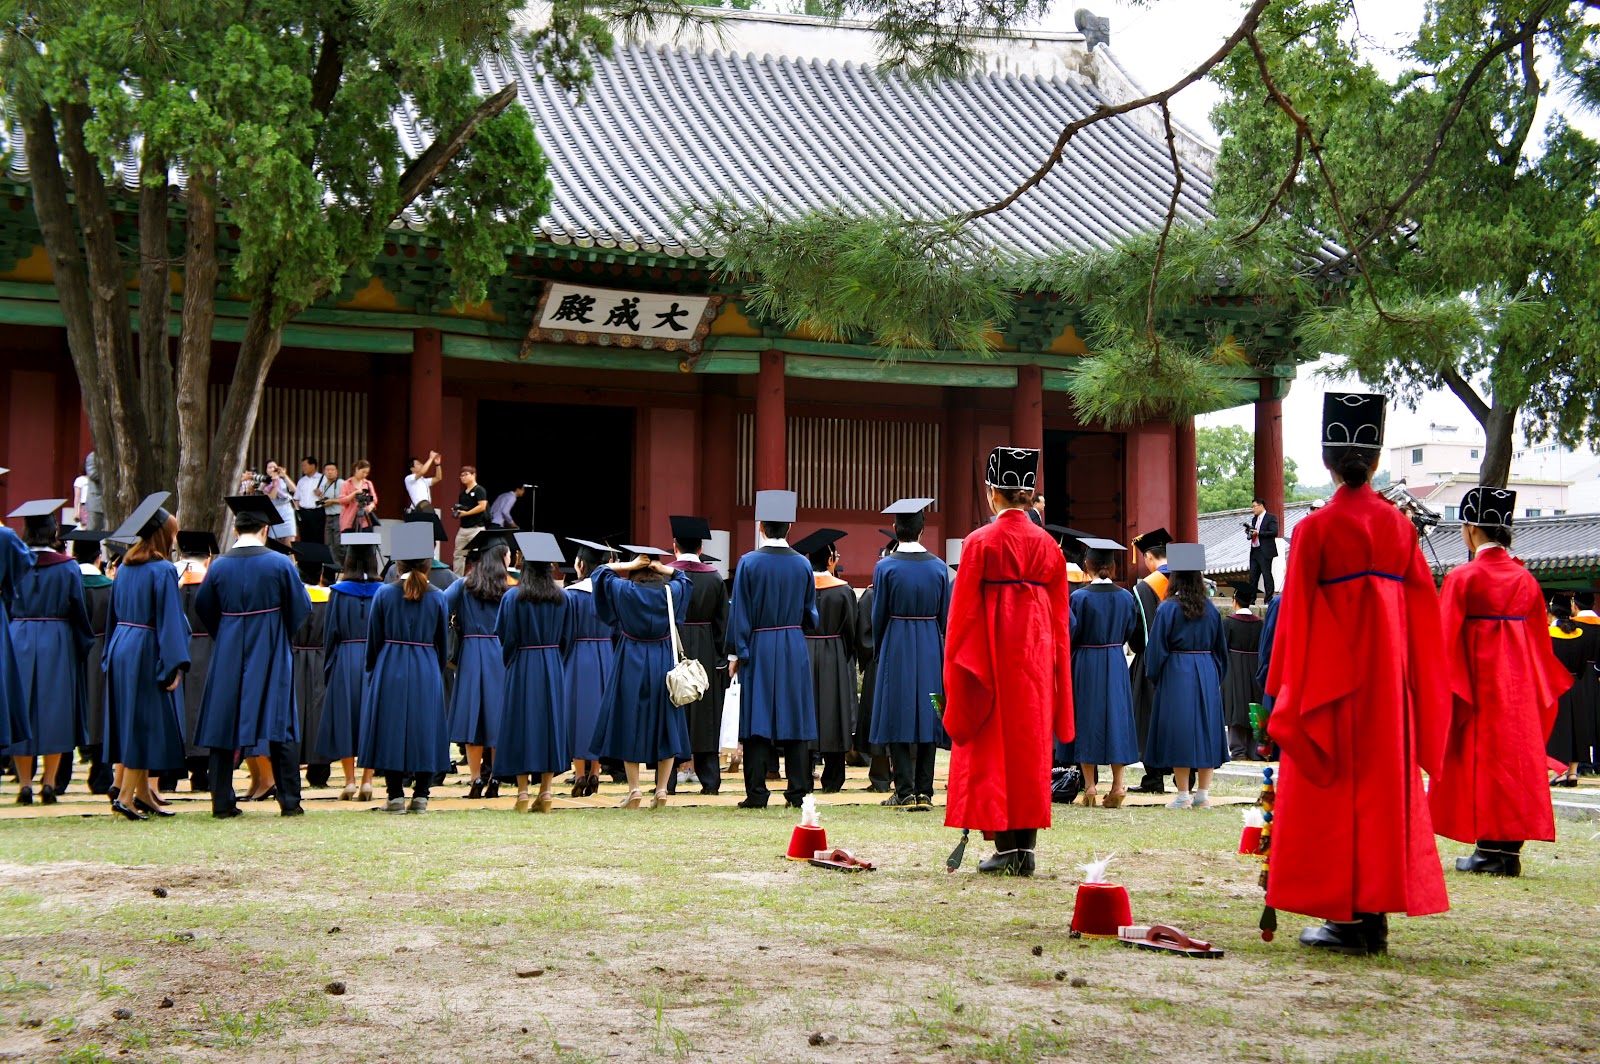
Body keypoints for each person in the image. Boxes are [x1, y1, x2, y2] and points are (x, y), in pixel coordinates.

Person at [1265, 392, 1450, 955]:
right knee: (1381, 789)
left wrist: (1283, 689)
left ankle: (1346, 918)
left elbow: (1295, 614)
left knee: (1339, 789)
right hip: (1388, 686)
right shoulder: (1399, 529)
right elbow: (1422, 614)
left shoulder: (1315, 529)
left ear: (1327, 460)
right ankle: (1375, 916)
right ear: (1375, 459)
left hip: (1332, 681)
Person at [944, 447, 1073, 876]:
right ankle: (1026, 850)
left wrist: (960, 671)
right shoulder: (1049, 546)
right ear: (1028, 493)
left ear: (992, 494)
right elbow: (1059, 615)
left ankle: (1004, 849)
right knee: (1030, 749)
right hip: (1035, 660)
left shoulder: (980, 541)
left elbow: (962, 616)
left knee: (994, 750)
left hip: (993, 659)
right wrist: (1054, 665)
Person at [1431, 487, 1573, 877]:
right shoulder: (1526, 580)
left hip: (1478, 683)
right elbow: (1540, 644)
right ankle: (1509, 851)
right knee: (1517, 761)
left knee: (1484, 762)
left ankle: (1488, 849)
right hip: (1520, 685)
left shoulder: (1464, 577)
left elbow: (1444, 639)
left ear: (1472, 530)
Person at [194, 495, 313, 818]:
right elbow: (301, 607)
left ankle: (221, 802)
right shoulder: (279, 564)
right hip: (271, 648)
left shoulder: (219, 566)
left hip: (230, 649)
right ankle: (290, 802)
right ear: (265, 530)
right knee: (280, 723)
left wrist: (228, 631)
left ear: (235, 530)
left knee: (223, 722)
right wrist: (278, 631)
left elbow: (203, 606)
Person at [100, 495, 189, 820]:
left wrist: (109, 654)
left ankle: (142, 796)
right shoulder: (163, 570)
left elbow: (114, 615)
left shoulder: (124, 566)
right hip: (147, 647)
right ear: (164, 535)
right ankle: (125, 797)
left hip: (122, 643)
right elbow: (168, 619)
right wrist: (173, 665)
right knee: (144, 723)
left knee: (132, 720)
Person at [727, 491, 818, 809]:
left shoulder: (748, 563)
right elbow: (811, 614)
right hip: (793, 644)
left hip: (759, 644)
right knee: (795, 716)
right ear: (790, 527)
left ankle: (756, 794)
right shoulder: (803, 565)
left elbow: (740, 611)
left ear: (761, 527)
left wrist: (736, 653)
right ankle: (797, 793)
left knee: (756, 719)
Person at [589, 546, 692, 808]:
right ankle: (661, 790)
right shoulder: (671, 592)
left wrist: (628, 565)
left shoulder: (625, 591)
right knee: (666, 721)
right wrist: (665, 568)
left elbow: (600, 574)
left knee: (629, 720)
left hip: (631, 657)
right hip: (662, 658)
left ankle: (634, 789)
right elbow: (685, 580)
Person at [5, 500, 92, 805]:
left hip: (19, 637)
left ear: (26, 531)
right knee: (56, 711)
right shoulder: (67, 566)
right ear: (54, 530)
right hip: (58, 638)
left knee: (21, 708)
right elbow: (78, 609)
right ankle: (50, 783)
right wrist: (83, 645)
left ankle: (25, 784)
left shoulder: (15, 562)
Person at [360, 522, 451, 813]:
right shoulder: (438, 596)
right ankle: (422, 794)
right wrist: (434, 670)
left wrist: (373, 669)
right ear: (428, 561)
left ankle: (395, 794)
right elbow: (443, 644)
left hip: (391, 664)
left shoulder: (384, 594)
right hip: (425, 665)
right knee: (426, 728)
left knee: (391, 728)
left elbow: (373, 639)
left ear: (397, 562)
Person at [869, 498, 951, 810]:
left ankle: (903, 789)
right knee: (933, 710)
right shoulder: (938, 567)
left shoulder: (885, 567)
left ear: (895, 528)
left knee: (898, 711)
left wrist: (881, 650)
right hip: (931, 644)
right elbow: (946, 616)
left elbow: (879, 615)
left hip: (897, 643)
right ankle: (925, 790)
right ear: (922, 529)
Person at [1143, 544, 1228, 810]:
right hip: (1205, 668)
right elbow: (1221, 652)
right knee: (1206, 729)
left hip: (1176, 670)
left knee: (1179, 730)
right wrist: (1213, 675)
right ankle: (1202, 793)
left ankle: (1182, 794)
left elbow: (1156, 649)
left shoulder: (1168, 609)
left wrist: (1156, 676)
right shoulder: (1211, 609)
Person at [494, 532, 571, 812]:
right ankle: (547, 791)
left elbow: (505, 636)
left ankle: (523, 793)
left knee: (520, 724)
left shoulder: (513, 598)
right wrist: (553, 658)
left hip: (523, 663)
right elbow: (567, 638)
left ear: (522, 563)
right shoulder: (562, 598)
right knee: (549, 724)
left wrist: (511, 660)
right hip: (551, 663)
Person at [1067, 537, 1140, 808]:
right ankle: (1118, 785)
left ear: (1087, 566)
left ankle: (1089, 786)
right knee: (1117, 718)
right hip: (1114, 658)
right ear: (1112, 566)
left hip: (1086, 660)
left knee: (1087, 718)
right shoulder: (1125, 597)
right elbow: (1130, 630)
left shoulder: (1079, 597)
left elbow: (1070, 632)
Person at [316, 532, 383, 800]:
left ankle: (349, 781)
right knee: (371, 718)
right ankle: (368, 780)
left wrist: (329, 667)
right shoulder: (383, 592)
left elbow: (330, 633)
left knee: (346, 718)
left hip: (345, 657)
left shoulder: (338, 593)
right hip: (374, 659)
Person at [445, 531, 512, 797]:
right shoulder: (508, 589)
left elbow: (439, 607)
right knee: (495, 717)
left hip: (471, 653)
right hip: (498, 652)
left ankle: (474, 779)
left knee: (473, 717)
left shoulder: (463, 585)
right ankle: (494, 777)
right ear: (501, 559)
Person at [667, 516, 729, 795]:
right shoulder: (714, 577)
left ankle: (667, 781)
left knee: (672, 709)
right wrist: (720, 658)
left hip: (672, 646)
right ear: (701, 548)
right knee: (706, 714)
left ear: (674, 546)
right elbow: (722, 624)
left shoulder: (665, 575)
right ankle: (710, 780)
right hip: (704, 648)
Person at [794, 528, 858, 794]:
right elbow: (851, 630)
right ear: (830, 558)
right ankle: (832, 779)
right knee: (834, 714)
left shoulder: (800, 588)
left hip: (804, 651)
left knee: (806, 712)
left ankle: (803, 777)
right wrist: (847, 654)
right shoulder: (843, 591)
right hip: (833, 652)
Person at [562, 539, 617, 797]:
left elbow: (566, 632)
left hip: (579, 654)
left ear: (581, 565)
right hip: (605, 653)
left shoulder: (571, 595)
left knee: (578, 714)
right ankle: (596, 771)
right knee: (599, 714)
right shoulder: (611, 593)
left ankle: (580, 774)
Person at [65, 528, 115, 795]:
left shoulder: (68, 584)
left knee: (66, 709)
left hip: (70, 650)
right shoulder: (109, 587)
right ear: (99, 558)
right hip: (100, 650)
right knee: (98, 712)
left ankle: (58, 778)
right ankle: (100, 776)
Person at [1127, 527, 1172, 793]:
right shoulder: (1189, 578)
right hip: (1184, 662)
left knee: (1149, 717)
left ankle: (1154, 778)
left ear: (1147, 557)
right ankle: (1185, 778)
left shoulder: (1145, 586)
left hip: (1152, 661)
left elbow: (1141, 630)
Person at [290, 544, 334, 789]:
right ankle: (319, 773)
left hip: (294, 658)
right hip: (320, 658)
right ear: (320, 575)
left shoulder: (292, 597)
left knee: (294, 710)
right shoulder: (330, 597)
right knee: (319, 713)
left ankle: (291, 768)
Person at [1545, 591, 1598, 787]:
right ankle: (1573, 772)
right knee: (1577, 727)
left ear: (1552, 611)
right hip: (1577, 684)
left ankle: (1559, 771)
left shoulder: (1548, 634)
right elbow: (1584, 665)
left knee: (1559, 728)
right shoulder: (1580, 633)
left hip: (1556, 686)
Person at [1221, 581, 1266, 760]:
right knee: (1254, 705)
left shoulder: (1228, 623)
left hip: (1234, 669)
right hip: (1255, 668)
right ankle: (1255, 750)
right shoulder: (1260, 624)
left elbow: (1221, 648)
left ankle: (1238, 750)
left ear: (1235, 601)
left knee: (1236, 707)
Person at [451, 466, 490, 576]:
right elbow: (464, 508)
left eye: (466, 474)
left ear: (473, 475)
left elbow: (482, 506)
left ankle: (479, 579)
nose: (463, 477)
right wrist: (458, 511)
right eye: (461, 475)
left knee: (478, 555)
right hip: (464, 528)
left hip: (476, 528)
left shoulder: (479, 490)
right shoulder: (462, 493)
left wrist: (466, 513)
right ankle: (457, 579)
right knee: (458, 555)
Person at [1246, 497, 1280, 601]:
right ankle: (1251, 599)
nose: (1253, 509)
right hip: (1255, 549)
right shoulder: (1254, 519)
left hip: (1265, 550)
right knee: (1253, 576)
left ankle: (1268, 599)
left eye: (1254, 506)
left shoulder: (1271, 518)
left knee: (1266, 575)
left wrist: (1259, 533)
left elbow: (1274, 532)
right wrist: (1250, 532)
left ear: (1261, 506)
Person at [336, 460, 377, 536]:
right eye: (363, 472)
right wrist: (355, 493)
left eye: (367, 473)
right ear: (357, 469)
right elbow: (342, 501)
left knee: (366, 545)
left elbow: (373, 499)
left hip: (365, 521)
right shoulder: (346, 484)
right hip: (349, 521)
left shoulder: (368, 483)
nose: (364, 475)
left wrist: (371, 506)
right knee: (350, 546)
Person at [261, 461, 298, 544]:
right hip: (275, 511)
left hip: (287, 510)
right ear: (266, 470)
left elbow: (294, 489)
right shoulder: (265, 483)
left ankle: (290, 557)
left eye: (274, 467)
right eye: (269, 467)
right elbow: (272, 496)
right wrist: (275, 483)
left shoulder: (282, 480)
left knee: (290, 542)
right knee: (275, 542)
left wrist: (284, 476)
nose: (272, 469)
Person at [294, 457, 327, 547]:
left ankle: (317, 560)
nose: (303, 468)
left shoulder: (323, 479)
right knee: (304, 538)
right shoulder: (302, 481)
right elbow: (297, 498)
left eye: (305, 465)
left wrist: (321, 494)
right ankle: (306, 560)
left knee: (317, 538)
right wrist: (297, 513)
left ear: (313, 466)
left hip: (317, 512)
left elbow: (329, 498)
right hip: (304, 513)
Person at [318, 463, 345, 560]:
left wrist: (332, 501)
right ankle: (333, 568)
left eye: (332, 470)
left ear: (337, 472)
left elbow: (346, 499)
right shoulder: (324, 485)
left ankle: (342, 567)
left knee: (339, 543)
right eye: (327, 470)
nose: (330, 472)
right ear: (324, 472)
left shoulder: (341, 483)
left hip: (339, 516)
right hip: (328, 516)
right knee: (329, 544)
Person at [83, 451, 104, 531]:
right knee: (92, 530)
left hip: (112, 502)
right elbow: (93, 475)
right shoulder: (93, 456)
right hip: (97, 501)